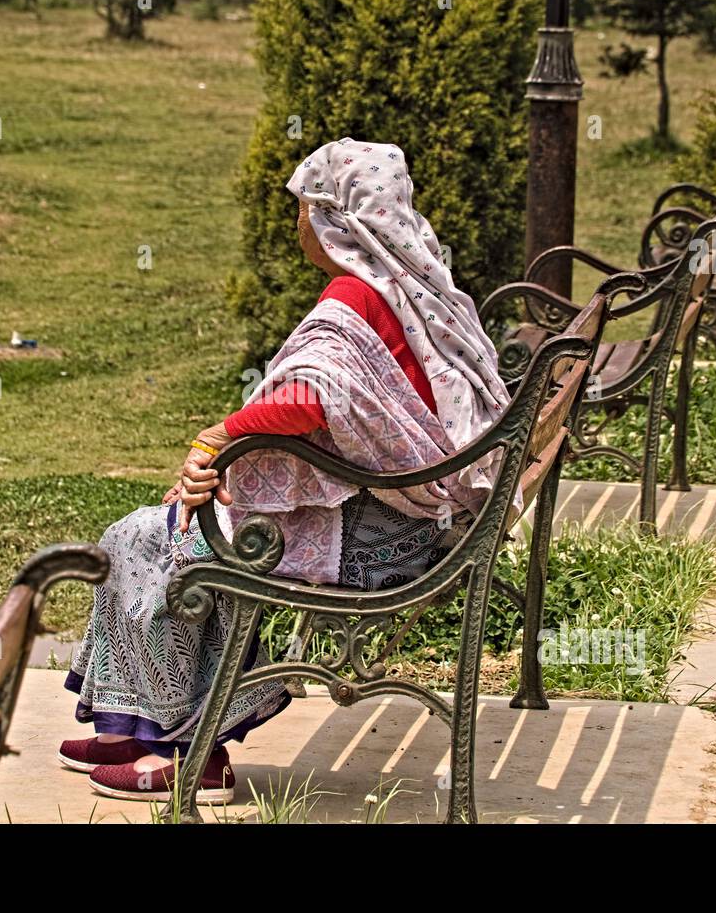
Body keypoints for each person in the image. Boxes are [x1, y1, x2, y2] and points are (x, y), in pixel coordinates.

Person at [58, 139, 510, 805]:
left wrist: (219, 438)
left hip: (378, 542)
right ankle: (139, 721)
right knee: (153, 533)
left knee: (159, 543)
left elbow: (313, 398)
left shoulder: (355, 298)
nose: (295, 221)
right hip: (411, 526)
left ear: (332, 218)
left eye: (301, 207)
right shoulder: (410, 285)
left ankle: (191, 751)